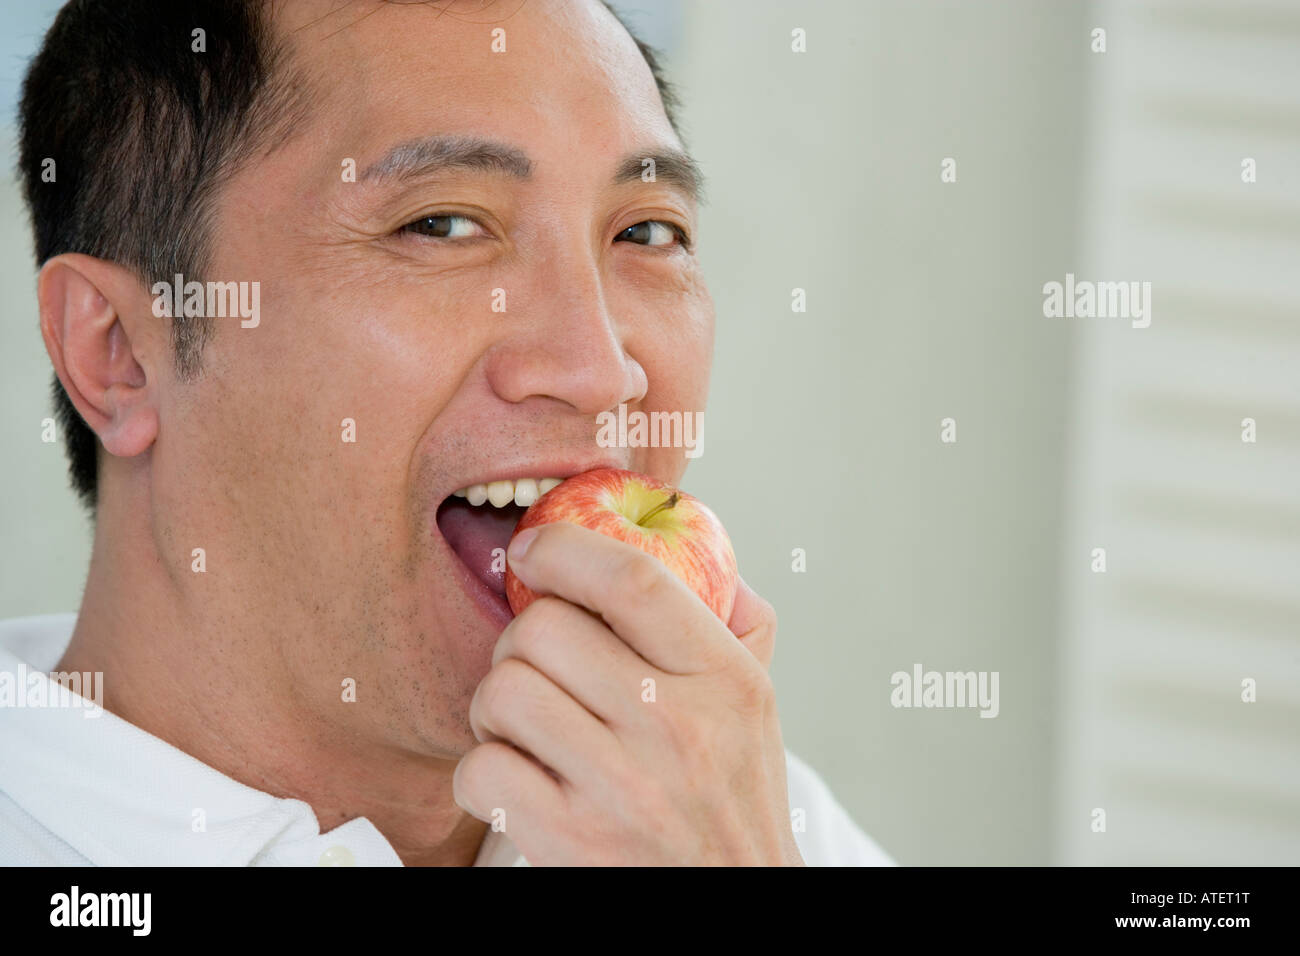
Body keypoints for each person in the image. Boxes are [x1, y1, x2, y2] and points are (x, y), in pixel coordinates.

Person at [0, 0, 893, 867]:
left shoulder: (751, 826)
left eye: (648, 232)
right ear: (116, 352)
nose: (599, 372)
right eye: (442, 225)